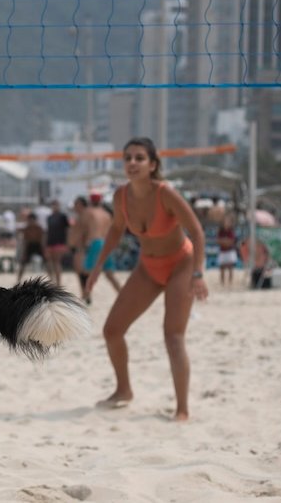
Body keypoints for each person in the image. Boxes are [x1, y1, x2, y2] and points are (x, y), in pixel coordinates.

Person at [85, 137, 208, 422]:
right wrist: (97, 267)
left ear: (152, 165)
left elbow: (197, 232)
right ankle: (123, 390)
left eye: (139, 158)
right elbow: (116, 230)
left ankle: (182, 409)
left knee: (173, 337)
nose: (132, 163)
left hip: (181, 264)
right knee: (112, 330)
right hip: (149, 267)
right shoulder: (121, 197)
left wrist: (198, 273)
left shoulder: (165, 194)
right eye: (128, 158)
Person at [78, 194, 122, 303]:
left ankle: (86, 296)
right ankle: (122, 294)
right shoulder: (107, 214)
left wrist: (81, 245)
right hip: (106, 243)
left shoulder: (88, 212)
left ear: (90, 201)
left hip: (95, 242)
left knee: (86, 272)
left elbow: (82, 229)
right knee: (109, 274)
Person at [44, 200, 70, 286]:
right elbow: (48, 231)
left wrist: (67, 243)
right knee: (48, 262)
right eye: (53, 205)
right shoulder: (49, 217)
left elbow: (68, 230)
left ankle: (58, 283)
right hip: (50, 242)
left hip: (59, 242)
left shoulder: (63, 216)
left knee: (57, 262)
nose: (55, 207)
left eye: (56, 205)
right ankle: (52, 281)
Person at [16, 212, 45, 282]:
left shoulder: (39, 228)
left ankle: (53, 279)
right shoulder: (27, 228)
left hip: (38, 245)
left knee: (47, 262)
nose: (31, 222)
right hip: (29, 246)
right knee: (23, 264)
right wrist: (24, 252)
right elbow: (25, 240)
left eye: (32, 221)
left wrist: (44, 250)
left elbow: (42, 240)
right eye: (30, 221)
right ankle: (18, 280)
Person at [216, 214, 238, 288]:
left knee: (230, 267)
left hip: (229, 251)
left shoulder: (231, 232)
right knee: (222, 267)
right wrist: (225, 242)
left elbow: (231, 241)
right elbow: (218, 241)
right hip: (223, 251)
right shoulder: (221, 231)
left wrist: (224, 242)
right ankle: (222, 282)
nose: (226, 223)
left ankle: (230, 282)